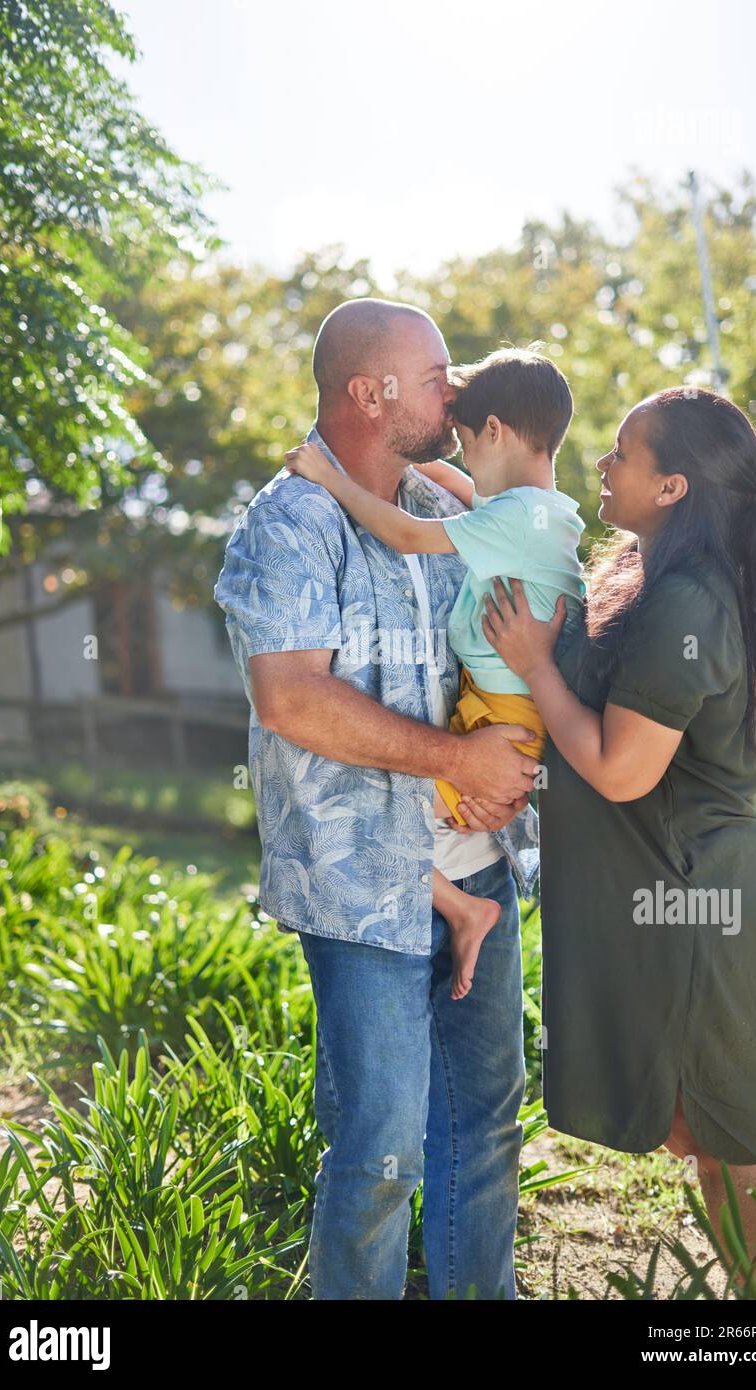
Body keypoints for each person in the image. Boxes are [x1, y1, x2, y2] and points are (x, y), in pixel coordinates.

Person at [214, 297, 541, 1300]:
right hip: (363, 895)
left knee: (483, 1132)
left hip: (475, 876)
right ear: (368, 390)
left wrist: (503, 765)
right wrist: (459, 755)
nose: (457, 388)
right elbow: (293, 698)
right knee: (382, 1153)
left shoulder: (439, 509)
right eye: (437, 373)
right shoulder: (287, 525)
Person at [476, 386, 756, 1282]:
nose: (601, 463)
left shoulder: (687, 602)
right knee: (703, 1129)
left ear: (671, 486)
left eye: (621, 452)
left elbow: (620, 768)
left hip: (693, 904)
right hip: (672, 896)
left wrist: (531, 667)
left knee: (730, 1134)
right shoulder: (651, 577)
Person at [286, 347, 586, 999]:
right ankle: (470, 892)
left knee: (361, 807)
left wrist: (331, 475)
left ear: (496, 432)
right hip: (500, 703)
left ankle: (464, 908)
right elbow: (461, 489)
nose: (458, 457)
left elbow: (408, 534)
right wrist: (404, 446)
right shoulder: (536, 511)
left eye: (463, 441)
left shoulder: (514, 518)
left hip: (507, 719)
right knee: (413, 794)